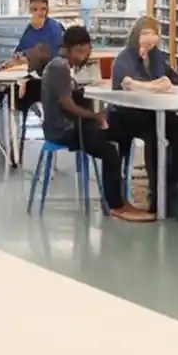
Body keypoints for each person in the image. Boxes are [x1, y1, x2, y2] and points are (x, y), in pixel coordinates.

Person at [41, 26, 154, 222]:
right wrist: (94, 116)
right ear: (67, 49)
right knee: (109, 151)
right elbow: (65, 103)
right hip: (63, 131)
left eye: (86, 52)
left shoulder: (61, 65)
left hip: (71, 127)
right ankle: (117, 205)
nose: (82, 57)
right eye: (79, 52)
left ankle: (119, 195)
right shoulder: (59, 67)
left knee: (117, 133)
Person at [107, 16, 178, 218]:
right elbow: (128, 83)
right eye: (145, 33)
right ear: (136, 36)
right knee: (155, 135)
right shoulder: (125, 58)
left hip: (151, 112)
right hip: (125, 115)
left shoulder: (157, 58)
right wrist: (156, 85)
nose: (150, 38)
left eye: (153, 33)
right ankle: (157, 193)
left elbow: (172, 77)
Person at [12, 0, 66, 161]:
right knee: (9, 93)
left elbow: (51, 56)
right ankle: (13, 149)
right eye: (35, 9)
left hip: (47, 80)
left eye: (43, 9)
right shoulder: (29, 29)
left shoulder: (54, 29)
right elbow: (19, 53)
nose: (39, 13)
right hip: (30, 78)